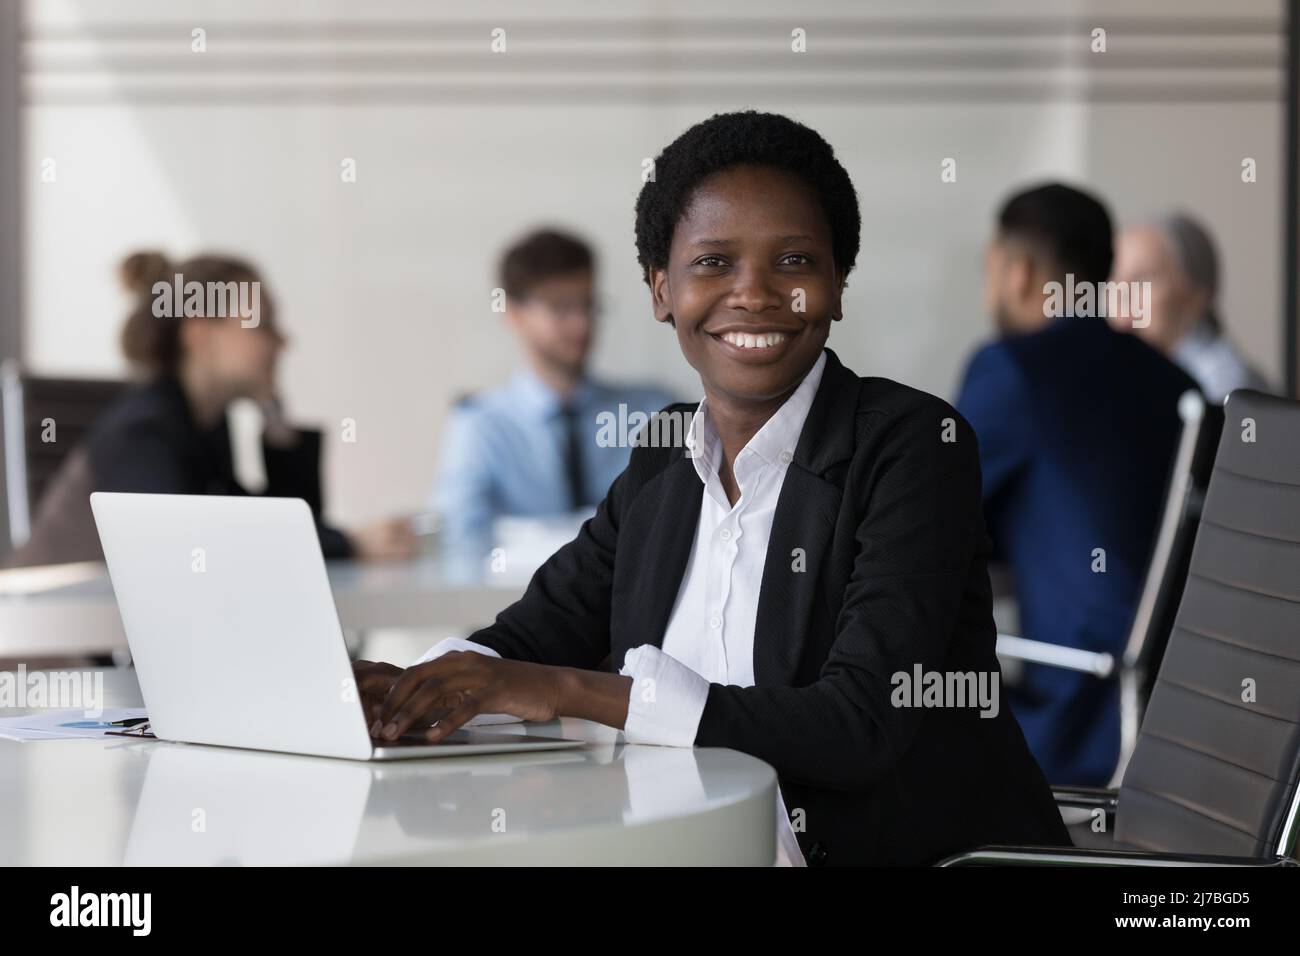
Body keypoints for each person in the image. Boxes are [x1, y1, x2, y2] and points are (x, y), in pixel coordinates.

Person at [355, 111, 1069, 866]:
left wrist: (571, 690)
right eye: (713, 263)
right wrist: (409, 688)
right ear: (661, 290)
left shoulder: (913, 445)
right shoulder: (664, 456)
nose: (755, 293)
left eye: (794, 261)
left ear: (836, 285)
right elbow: (533, 635)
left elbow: (859, 725)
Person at [956, 184, 1199, 786]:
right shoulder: (1171, 380)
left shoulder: (1012, 371)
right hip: (1180, 712)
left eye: (990, 272)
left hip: (1075, 718)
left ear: (1019, 272)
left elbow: (924, 517)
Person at [6, 252, 413, 569]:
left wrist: (277, 427)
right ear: (200, 335)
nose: (282, 342)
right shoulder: (141, 431)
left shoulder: (202, 426)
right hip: (52, 658)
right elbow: (200, 544)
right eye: (262, 325)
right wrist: (349, 544)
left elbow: (268, 528)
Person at [430, 229, 673, 574]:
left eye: (587, 304)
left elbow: (679, 521)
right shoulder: (480, 424)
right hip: (515, 611)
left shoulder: (653, 411)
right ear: (513, 314)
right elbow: (459, 541)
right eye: (561, 308)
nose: (581, 323)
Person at [1110, 212, 1270, 402]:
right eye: (1116, 279)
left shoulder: (1228, 389)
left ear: (1197, 294)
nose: (1122, 295)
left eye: (1143, 279)